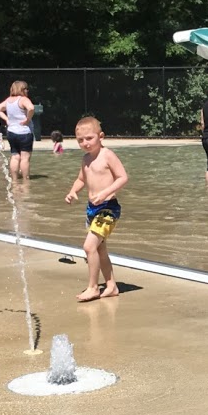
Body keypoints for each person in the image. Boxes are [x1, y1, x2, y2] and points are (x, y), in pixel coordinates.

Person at [65, 116, 128, 301]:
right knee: (100, 250)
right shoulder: (85, 159)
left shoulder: (107, 155)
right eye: (80, 140)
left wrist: (106, 192)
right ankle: (111, 285)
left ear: (101, 136)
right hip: (92, 209)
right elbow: (81, 180)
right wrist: (73, 191)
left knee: (89, 246)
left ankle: (93, 287)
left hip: (108, 209)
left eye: (89, 138)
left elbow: (123, 177)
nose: (85, 143)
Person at [0, 81, 35, 179]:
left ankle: (14, 180)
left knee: (15, 156)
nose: (27, 91)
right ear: (21, 90)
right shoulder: (23, 99)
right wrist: (28, 119)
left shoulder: (8, 100)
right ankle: (26, 180)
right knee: (25, 158)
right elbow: (31, 108)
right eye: (26, 89)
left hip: (11, 133)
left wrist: (7, 119)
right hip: (24, 132)